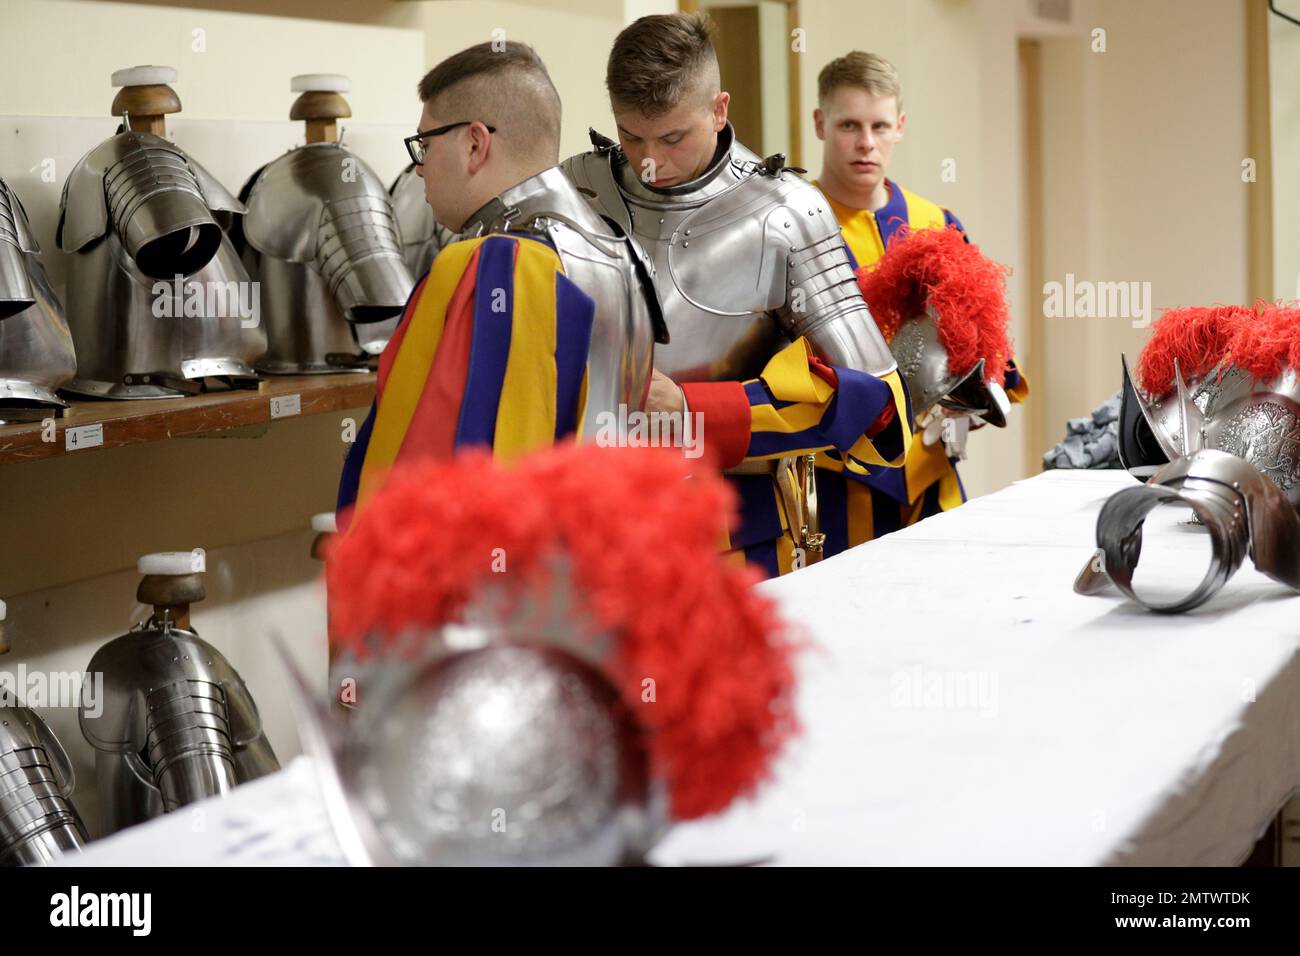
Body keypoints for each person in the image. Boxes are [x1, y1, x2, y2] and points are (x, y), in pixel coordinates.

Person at [563, 13, 911, 578]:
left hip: (727, 544)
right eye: (631, 137)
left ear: (719, 109)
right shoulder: (573, 191)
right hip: (584, 539)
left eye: (674, 137)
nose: (651, 162)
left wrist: (701, 413)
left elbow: (881, 410)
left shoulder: (786, 213)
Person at [336, 41, 660, 530]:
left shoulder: (501, 262)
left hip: (524, 580)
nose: (421, 166)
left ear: (474, 143)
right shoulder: (622, 246)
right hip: (613, 554)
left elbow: (445, 466)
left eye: (425, 144)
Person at [811, 50, 1029, 542]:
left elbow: (985, 342)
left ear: (900, 126)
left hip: (931, 480)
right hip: (837, 486)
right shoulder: (793, 224)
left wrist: (974, 397)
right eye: (849, 125)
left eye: (880, 126)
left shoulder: (936, 221)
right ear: (821, 123)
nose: (866, 143)